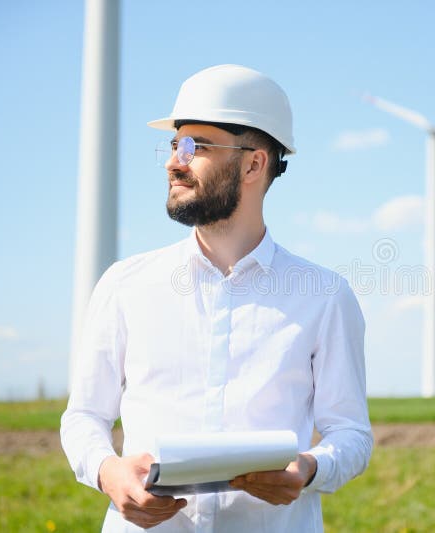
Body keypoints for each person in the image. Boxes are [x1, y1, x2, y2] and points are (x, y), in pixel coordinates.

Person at [60, 64, 372, 533]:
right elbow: (84, 415)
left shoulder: (325, 297)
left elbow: (350, 433)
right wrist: (108, 471)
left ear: (253, 163)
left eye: (196, 146)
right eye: (174, 144)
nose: (173, 161)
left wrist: (310, 468)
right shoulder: (124, 285)